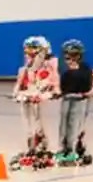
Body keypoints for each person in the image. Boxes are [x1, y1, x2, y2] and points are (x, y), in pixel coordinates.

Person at [9, 36, 60, 169]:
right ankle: (31, 148)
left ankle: (42, 148)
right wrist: (17, 94)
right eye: (27, 54)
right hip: (27, 99)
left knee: (40, 126)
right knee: (28, 127)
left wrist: (46, 95)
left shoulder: (49, 69)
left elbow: (54, 86)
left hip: (41, 101)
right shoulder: (24, 70)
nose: (29, 58)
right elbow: (18, 86)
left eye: (33, 55)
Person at [55, 39, 93, 165]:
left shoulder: (86, 69)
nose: (70, 59)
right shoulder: (62, 69)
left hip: (80, 99)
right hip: (67, 98)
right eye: (68, 56)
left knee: (75, 124)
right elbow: (58, 84)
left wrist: (90, 92)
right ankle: (64, 148)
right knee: (64, 124)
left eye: (74, 55)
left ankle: (74, 148)